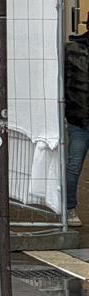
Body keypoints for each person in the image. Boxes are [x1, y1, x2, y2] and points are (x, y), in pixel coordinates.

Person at [63, 20, 89, 227]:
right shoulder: (71, 49)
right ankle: (69, 208)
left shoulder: (70, 49)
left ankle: (69, 208)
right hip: (79, 118)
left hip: (77, 116)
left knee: (73, 166)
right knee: (73, 167)